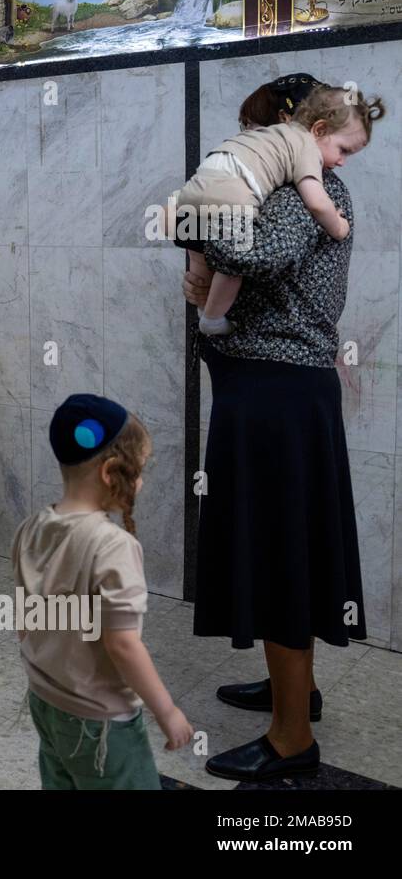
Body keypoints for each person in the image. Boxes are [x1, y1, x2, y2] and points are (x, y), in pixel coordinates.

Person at [180, 79, 384, 781]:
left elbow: (251, 257)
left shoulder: (303, 192)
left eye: (253, 130)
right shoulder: (296, 191)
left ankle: (292, 738)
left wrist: (196, 235)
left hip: (278, 396)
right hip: (271, 391)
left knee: (281, 557)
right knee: (281, 548)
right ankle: (295, 692)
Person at [13, 394, 192, 789]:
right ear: (111, 472)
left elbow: (25, 615)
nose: (141, 482)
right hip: (101, 720)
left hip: (45, 699)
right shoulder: (113, 546)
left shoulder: (32, 526)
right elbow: (123, 645)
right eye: (139, 470)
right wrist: (167, 710)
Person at [175, 86, 359, 335]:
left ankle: (210, 317)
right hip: (264, 346)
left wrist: (210, 269)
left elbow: (250, 258)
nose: (246, 137)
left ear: (284, 120)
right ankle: (210, 316)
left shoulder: (303, 189)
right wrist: (201, 288)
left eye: (251, 125)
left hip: (277, 348)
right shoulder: (268, 179)